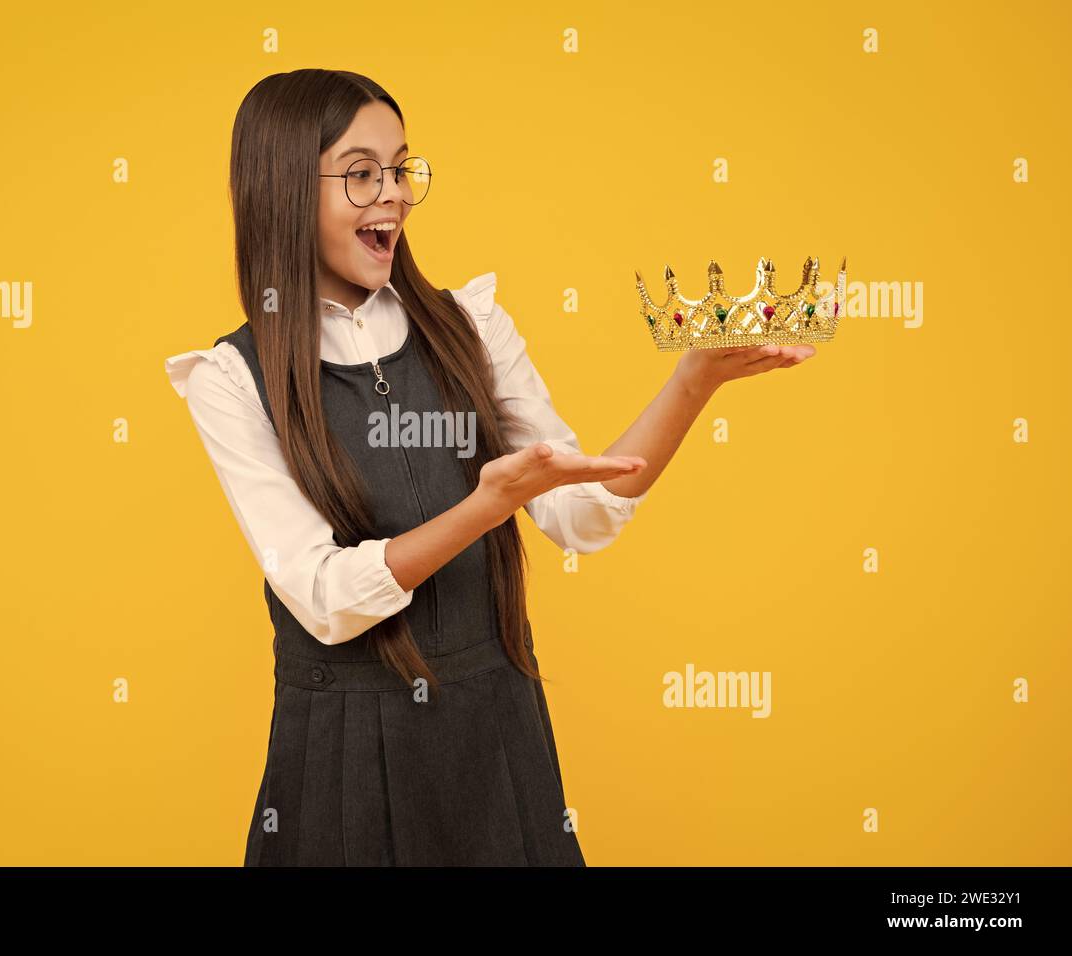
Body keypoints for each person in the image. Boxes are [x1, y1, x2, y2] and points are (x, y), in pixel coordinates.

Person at [164, 69, 816, 866]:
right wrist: (485, 505)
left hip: (493, 733)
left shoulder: (468, 324)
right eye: (361, 174)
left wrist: (694, 381)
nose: (393, 196)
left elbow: (583, 514)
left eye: (401, 170)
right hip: (341, 764)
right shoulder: (231, 380)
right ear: (282, 189)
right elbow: (325, 599)